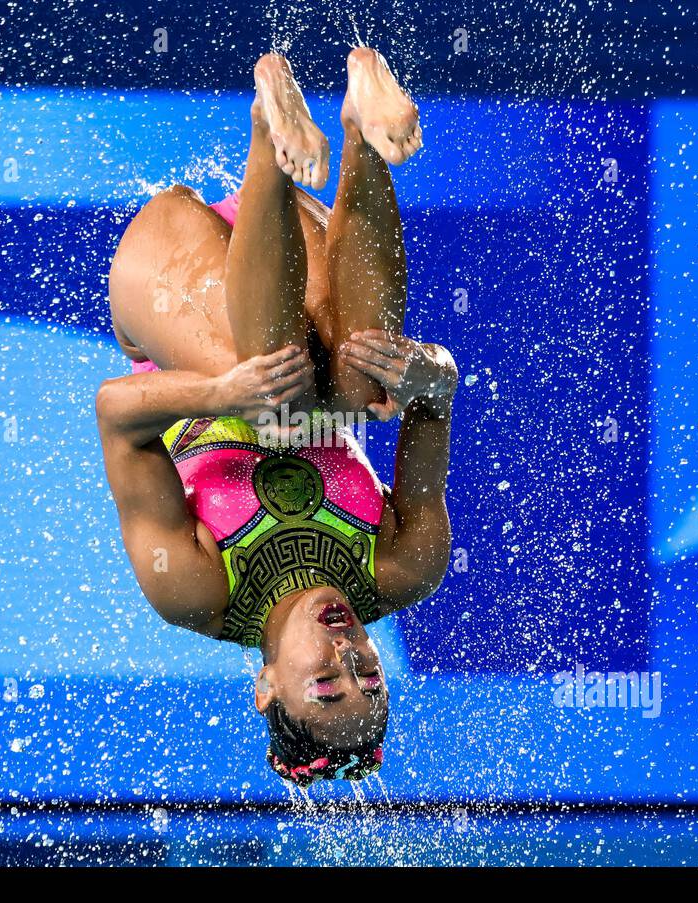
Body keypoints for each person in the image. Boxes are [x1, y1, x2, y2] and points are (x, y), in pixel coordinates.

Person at [98, 47, 457, 786]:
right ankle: (361, 128)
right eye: (370, 679)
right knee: (363, 384)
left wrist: (221, 395)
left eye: (326, 685)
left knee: (279, 404)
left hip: (171, 289)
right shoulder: (403, 568)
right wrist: (428, 371)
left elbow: (116, 413)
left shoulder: (195, 591)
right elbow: (435, 392)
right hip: (299, 247)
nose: (349, 657)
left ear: (264, 689)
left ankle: (271, 128)